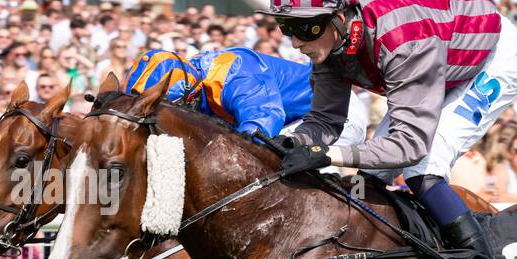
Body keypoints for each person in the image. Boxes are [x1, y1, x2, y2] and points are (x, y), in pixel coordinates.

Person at [261, 0, 517, 259]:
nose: (295, 40)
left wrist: (329, 154)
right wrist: (289, 145)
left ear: (341, 17)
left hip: (488, 57)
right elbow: (325, 121)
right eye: (286, 25)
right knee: (371, 175)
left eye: (305, 26)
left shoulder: (402, 40)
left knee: (424, 167)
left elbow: (409, 145)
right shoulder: (332, 42)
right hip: (437, 55)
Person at [123, 47, 366, 145]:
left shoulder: (234, 74)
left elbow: (262, 126)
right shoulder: (191, 80)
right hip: (295, 119)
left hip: (332, 114)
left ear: (189, 94)